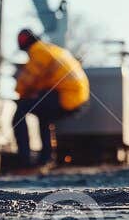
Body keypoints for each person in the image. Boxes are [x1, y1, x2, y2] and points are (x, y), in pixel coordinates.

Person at [10, 28, 90, 168]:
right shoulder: (51, 49)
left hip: (67, 95)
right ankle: (45, 160)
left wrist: (20, 94)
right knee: (43, 114)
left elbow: (29, 79)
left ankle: (25, 161)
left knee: (20, 113)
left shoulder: (38, 52)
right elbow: (41, 81)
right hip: (77, 95)